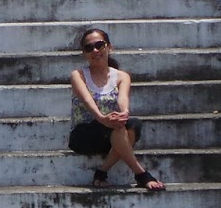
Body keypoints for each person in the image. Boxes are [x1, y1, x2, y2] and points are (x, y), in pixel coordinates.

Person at [67, 27, 165, 190]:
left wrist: (124, 113)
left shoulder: (121, 76)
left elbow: (123, 98)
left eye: (100, 45)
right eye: (89, 48)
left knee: (132, 125)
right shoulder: (78, 75)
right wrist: (102, 118)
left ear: (109, 47)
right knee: (117, 128)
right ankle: (141, 174)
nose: (95, 50)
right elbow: (87, 100)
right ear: (84, 53)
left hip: (111, 131)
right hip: (85, 133)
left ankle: (102, 171)